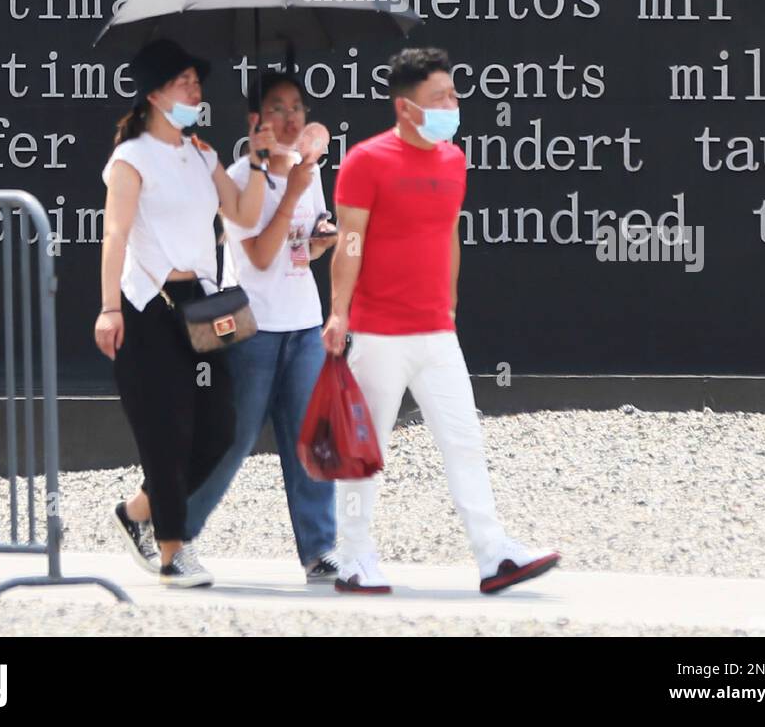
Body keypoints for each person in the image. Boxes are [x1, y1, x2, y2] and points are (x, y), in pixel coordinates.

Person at [323, 45, 561, 595]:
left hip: (436, 332)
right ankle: (355, 557)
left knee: (464, 440)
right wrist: (338, 313)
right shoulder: (365, 160)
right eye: (440, 97)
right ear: (406, 108)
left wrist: (449, 305)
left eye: (452, 94)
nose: (453, 104)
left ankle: (493, 554)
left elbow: (449, 233)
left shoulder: (454, 160)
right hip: (378, 333)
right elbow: (349, 243)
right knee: (366, 450)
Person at [94, 38, 276, 588]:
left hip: (202, 304)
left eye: (197, 83)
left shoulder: (202, 153)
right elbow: (115, 233)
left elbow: (241, 212)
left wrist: (260, 160)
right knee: (165, 430)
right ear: (154, 94)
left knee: (219, 427)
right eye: (184, 83)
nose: (196, 91)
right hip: (148, 304)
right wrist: (108, 309)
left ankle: (138, 512)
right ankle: (174, 552)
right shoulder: (130, 157)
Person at [184, 71, 339, 580]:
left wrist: (321, 239)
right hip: (251, 328)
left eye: (298, 107)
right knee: (233, 439)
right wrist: (291, 193)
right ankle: (175, 534)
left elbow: (298, 251)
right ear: (257, 121)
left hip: (303, 322)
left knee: (311, 439)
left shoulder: (306, 170)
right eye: (278, 107)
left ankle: (320, 550)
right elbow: (258, 254)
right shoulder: (239, 175)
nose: (292, 117)